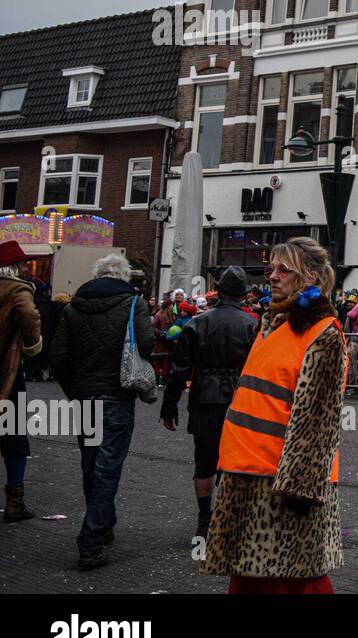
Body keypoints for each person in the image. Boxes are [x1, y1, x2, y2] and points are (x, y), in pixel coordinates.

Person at [203, 237, 348, 594]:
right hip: (246, 471)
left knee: (293, 581)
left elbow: (317, 420)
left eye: (285, 269)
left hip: (281, 483)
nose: (273, 275)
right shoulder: (273, 323)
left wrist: (298, 488)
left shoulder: (323, 334)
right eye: (272, 268)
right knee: (251, 576)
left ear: (309, 278)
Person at [49, 253, 154, 570]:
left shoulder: (72, 308)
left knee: (90, 463)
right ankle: (91, 542)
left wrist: (75, 390)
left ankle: (103, 524)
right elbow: (146, 343)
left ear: (96, 275)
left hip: (84, 397)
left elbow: (59, 358)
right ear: (123, 276)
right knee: (107, 468)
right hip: (116, 395)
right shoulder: (134, 305)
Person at [160, 266, 258, 538]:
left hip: (205, 396)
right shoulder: (252, 325)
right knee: (236, 460)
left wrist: (169, 406)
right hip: (240, 399)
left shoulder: (197, 323)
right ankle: (230, 517)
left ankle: (205, 518)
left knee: (204, 461)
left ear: (220, 291)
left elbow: (179, 370)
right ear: (243, 294)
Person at [0, 241, 44, 522]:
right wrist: (33, 346)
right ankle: (15, 502)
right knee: (14, 437)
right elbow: (29, 315)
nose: (27, 268)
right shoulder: (17, 289)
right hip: (8, 374)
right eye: (23, 264)